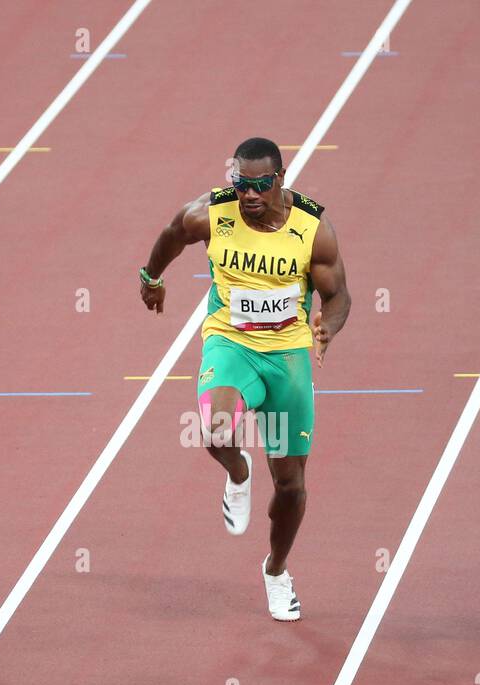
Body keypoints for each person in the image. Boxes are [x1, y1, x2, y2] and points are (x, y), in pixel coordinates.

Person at [140, 138, 351, 621]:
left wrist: (327, 327)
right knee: (213, 430)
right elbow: (173, 233)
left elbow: (338, 296)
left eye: (259, 185)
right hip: (231, 343)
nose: (249, 195)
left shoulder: (312, 229)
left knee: (292, 486)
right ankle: (238, 471)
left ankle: (276, 570)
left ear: (280, 179)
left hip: (287, 356)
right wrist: (151, 278)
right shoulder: (212, 215)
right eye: (241, 184)